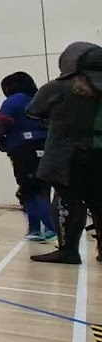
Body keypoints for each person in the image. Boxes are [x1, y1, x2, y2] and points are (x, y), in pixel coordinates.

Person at [25, 41, 102, 264]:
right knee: (99, 201)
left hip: (67, 154)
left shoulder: (58, 87)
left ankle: (68, 250)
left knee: (68, 201)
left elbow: (33, 111)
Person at [0, 72, 53, 241]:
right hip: (46, 147)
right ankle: (35, 229)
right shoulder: (39, 99)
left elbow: (0, 127)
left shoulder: (14, 100)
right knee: (41, 189)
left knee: (28, 191)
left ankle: (53, 228)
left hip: (24, 150)